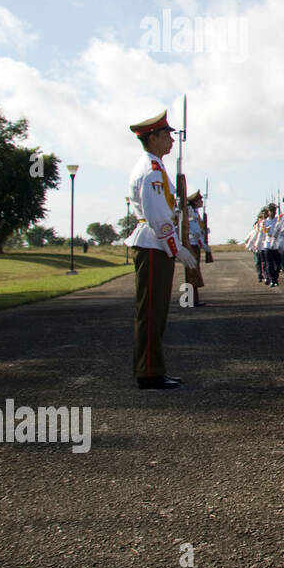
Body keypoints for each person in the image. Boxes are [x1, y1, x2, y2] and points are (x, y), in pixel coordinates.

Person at [126, 110, 197, 390]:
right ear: (152, 137)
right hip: (154, 245)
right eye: (166, 134)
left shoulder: (155, 166)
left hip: (157, 244)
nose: (171, 139)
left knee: (156, 312)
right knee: (151, 311)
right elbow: (157, 216)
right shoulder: (151, 170)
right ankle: (149, 372)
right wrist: (175, 247)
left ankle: (152, 369)